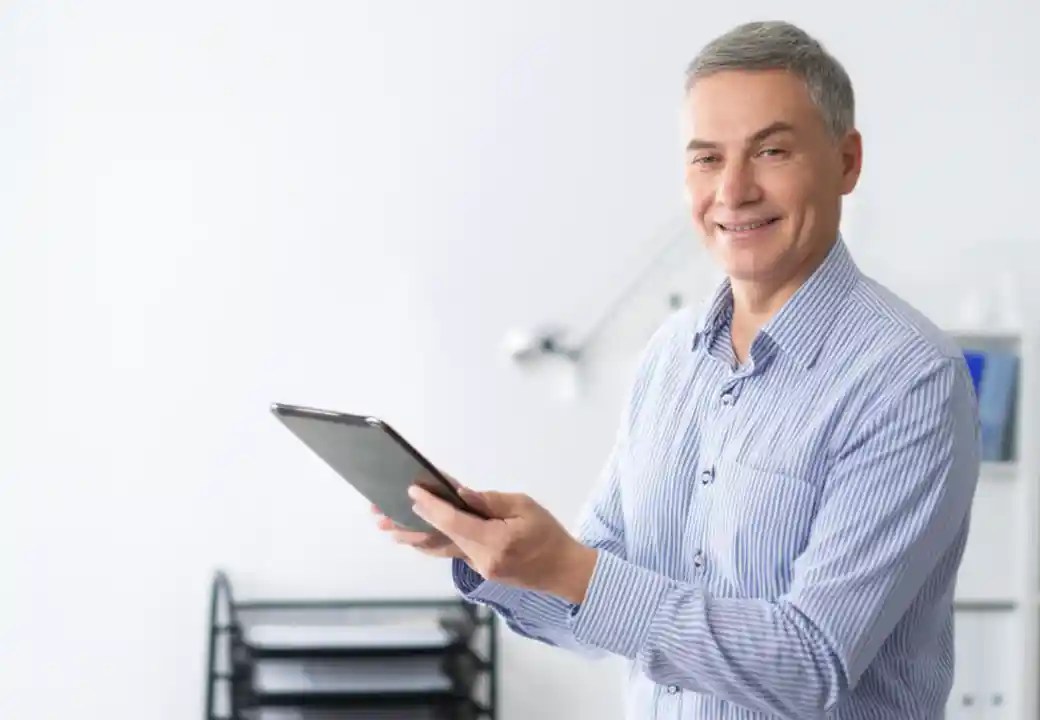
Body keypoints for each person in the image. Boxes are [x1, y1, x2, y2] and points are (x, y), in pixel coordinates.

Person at [374, 20, 980, 719]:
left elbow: (811, 665)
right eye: (706, 159)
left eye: (771, 151)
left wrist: (574, 570)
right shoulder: (669, 356)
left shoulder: (909, 378)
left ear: (847, 162)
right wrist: (489, 550)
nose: (734, 190)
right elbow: (596, 606)